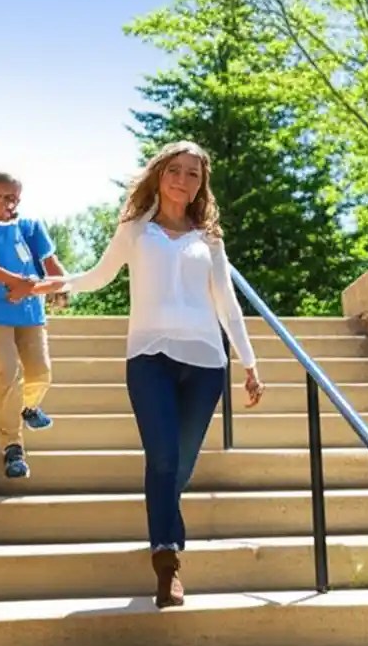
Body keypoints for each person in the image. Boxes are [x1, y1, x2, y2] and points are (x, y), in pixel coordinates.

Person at [33, 141, 264, 608]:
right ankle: (168, 562)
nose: (183, 180)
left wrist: (249, 362)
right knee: (161, 460)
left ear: (202, 183)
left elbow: (226, 301)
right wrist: (63, 283)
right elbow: (102, 274)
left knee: (179, 466)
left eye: (193, 174)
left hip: (204, 363)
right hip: (149, 358)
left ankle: (162, 527)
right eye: (175, 170)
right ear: (159, 174)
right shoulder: (136, 229)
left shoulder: (209, 237)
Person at [0, 171, 66, 479]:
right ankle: (13, 447)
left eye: (11, 197)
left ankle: (29, 407)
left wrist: (61, 285)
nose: (5, 202)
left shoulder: (32, 229)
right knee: (7, 372)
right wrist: (22, 283)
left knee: (40, 371)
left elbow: (50, 263)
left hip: (31, 312)